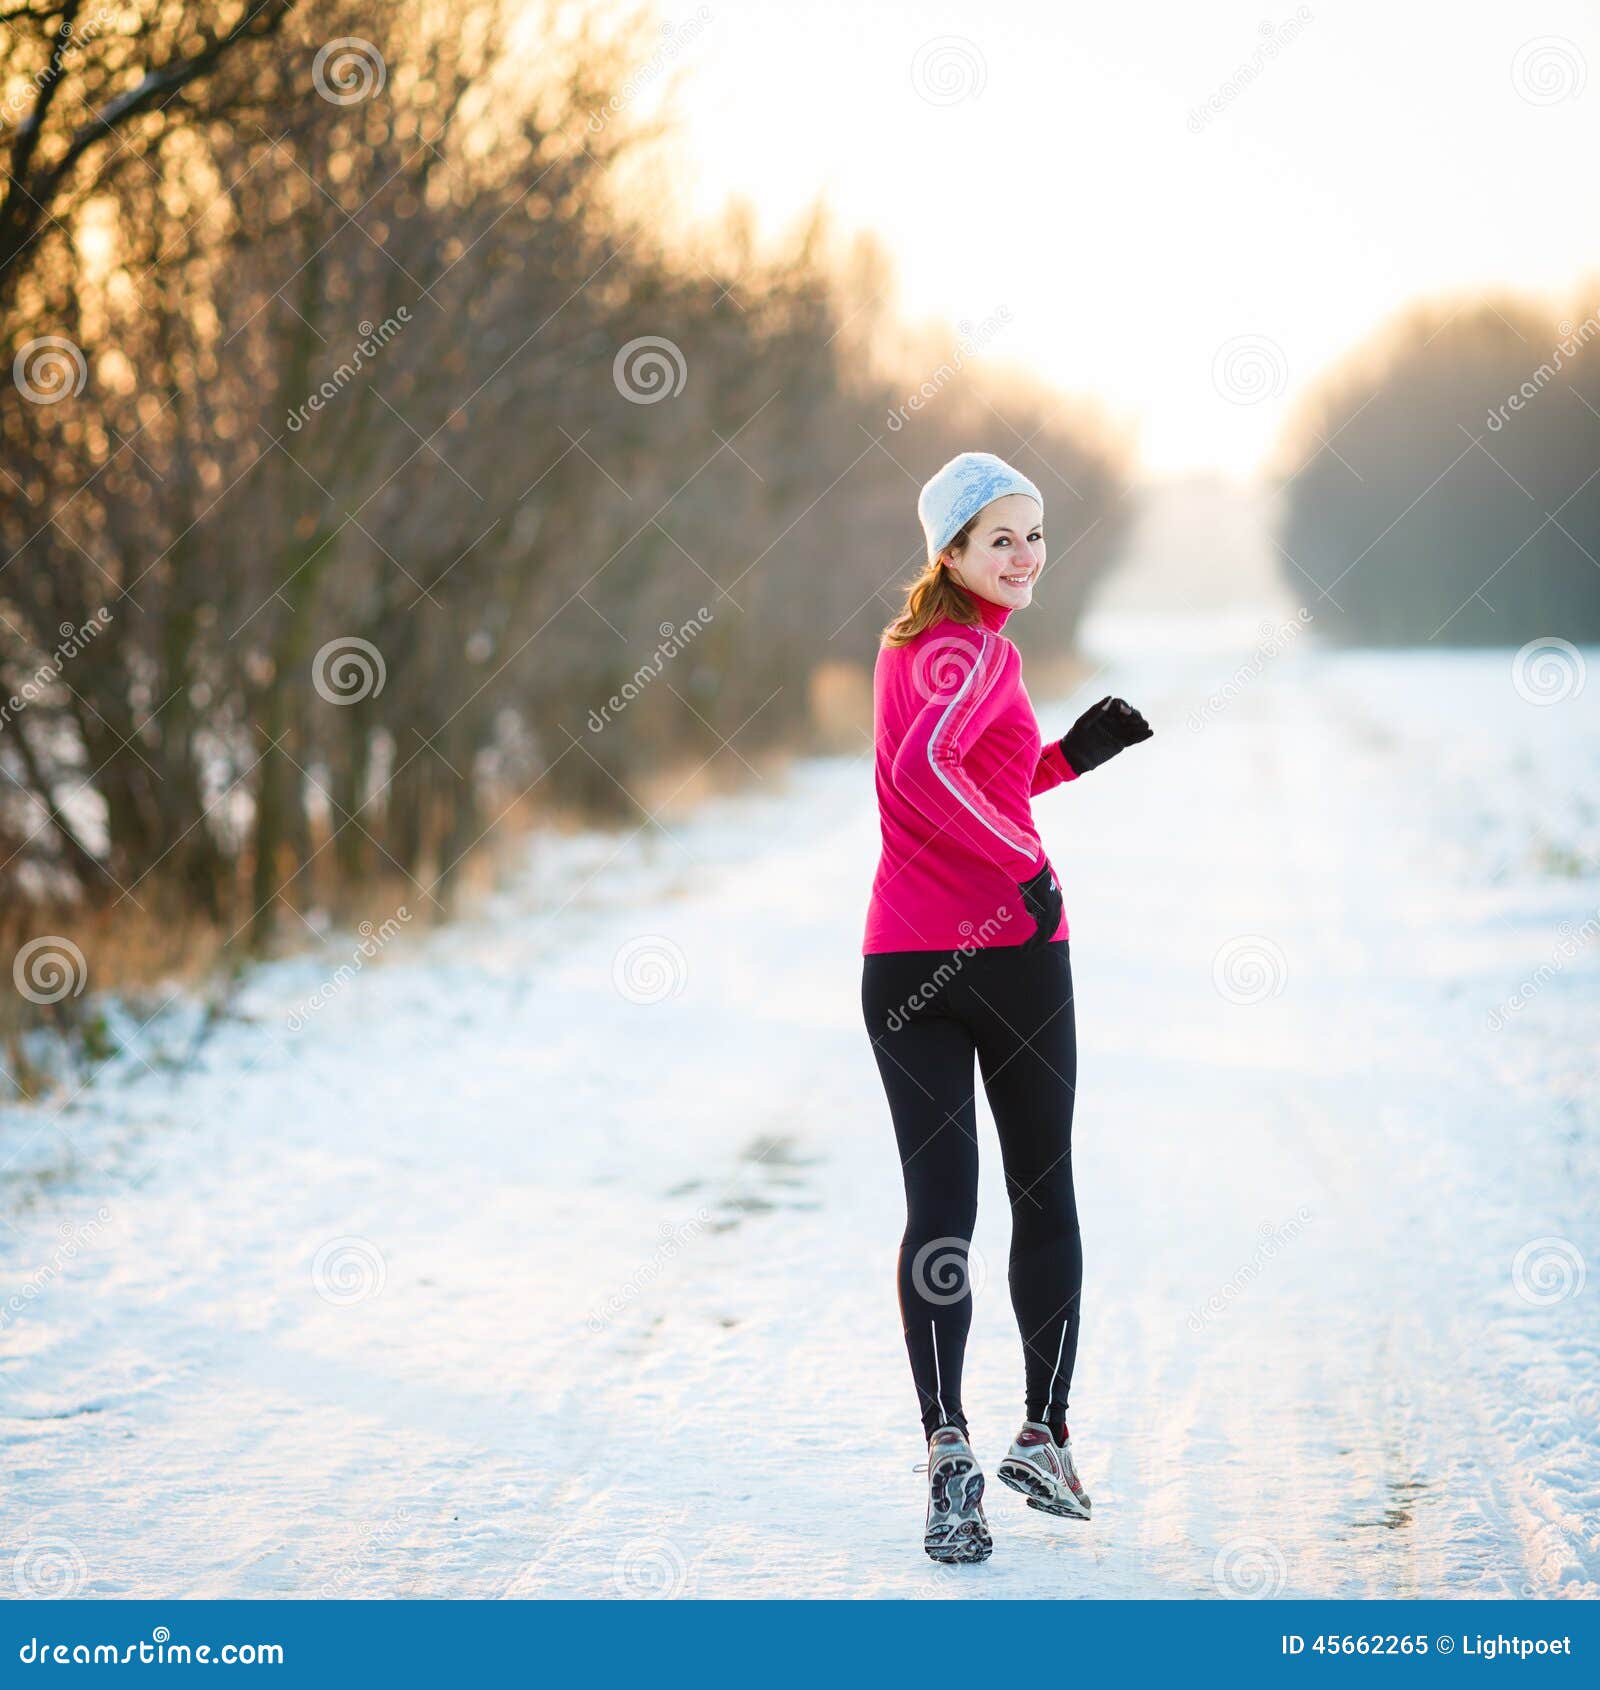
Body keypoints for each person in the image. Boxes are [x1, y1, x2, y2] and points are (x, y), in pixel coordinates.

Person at [860, 450, 1153, 1563]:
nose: (1026, 556)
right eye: (1002, 539)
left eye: (1034, 534)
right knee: (1041, 1189)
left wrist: (1069, 758)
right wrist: (1022, 871)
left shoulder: (920, 651)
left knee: (940, 1212)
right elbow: (934, 782)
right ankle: (1042, 1432)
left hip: (904, 964)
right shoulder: (968, 651)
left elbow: (971, 774)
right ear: (951, 551)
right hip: (1015, 953)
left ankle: (950, 1453)